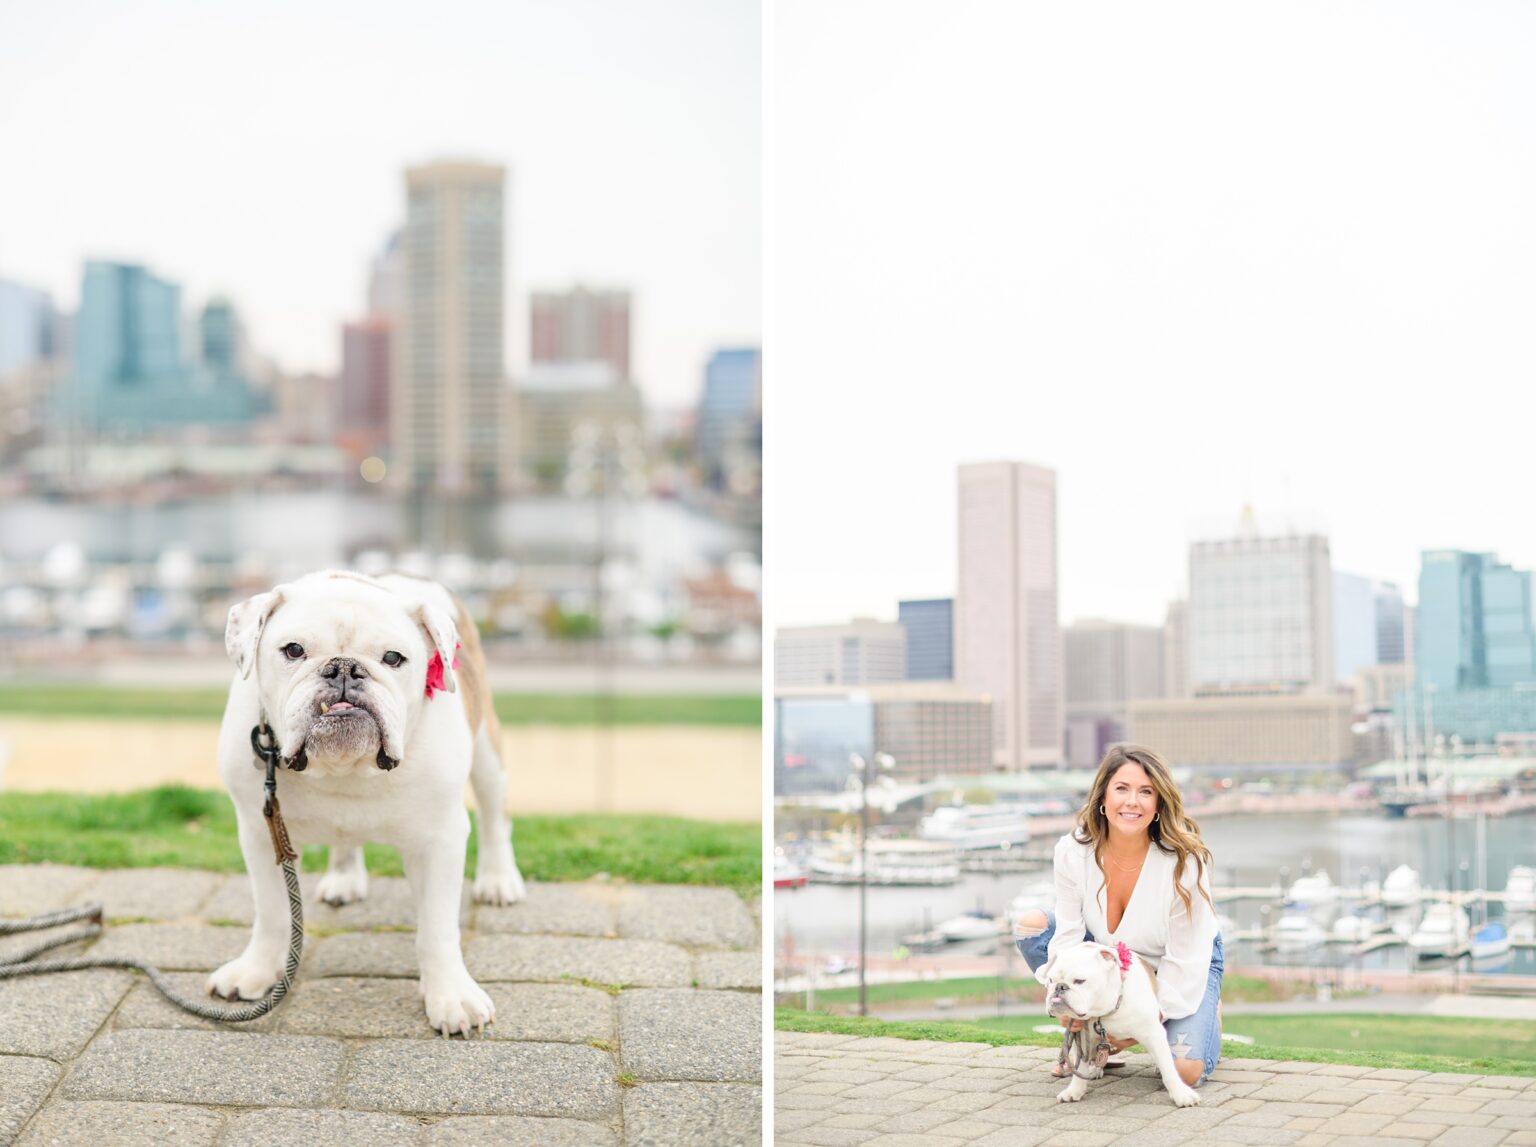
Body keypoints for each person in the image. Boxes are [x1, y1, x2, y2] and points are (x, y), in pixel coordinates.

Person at [1014, 743, 1223, 1087]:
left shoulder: (1184, 862)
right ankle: (1092, 1034)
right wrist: (1068, 1003)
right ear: (1103, 797)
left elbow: (1185, 958)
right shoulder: (1072, 852)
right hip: (1111, 962)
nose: (1132, 802)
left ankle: (1208, 1008)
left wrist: (1133, 1032)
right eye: (1122, 789)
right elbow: (1067, 938)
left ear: (1158, 803)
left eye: (1146, 792)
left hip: (1184, 961)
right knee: (1031, 927)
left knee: (1184, 1072)